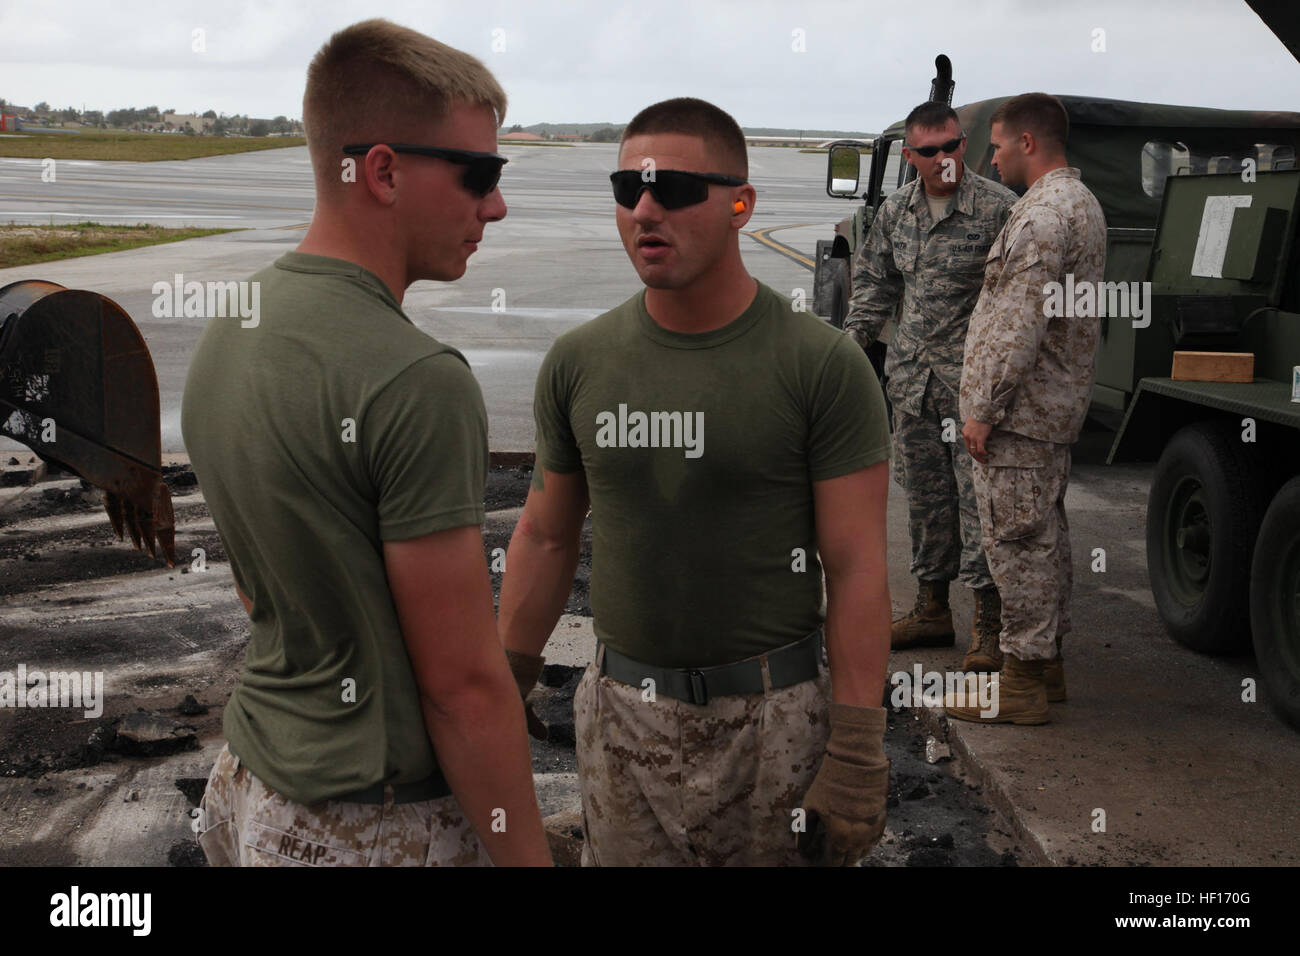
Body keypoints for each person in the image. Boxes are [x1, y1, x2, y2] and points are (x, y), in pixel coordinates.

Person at [182, 18, 551, 866]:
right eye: (478, 174)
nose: (495, 204)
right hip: (372, 823)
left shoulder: (236, 322)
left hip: (253, 778)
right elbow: (462, 689)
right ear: (382, 171)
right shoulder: (416, 377)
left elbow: (256, 589)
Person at [498, 97, 893, 867]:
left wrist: (856, 750)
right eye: (628, 188)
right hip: (621, 723)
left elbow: (856, 567)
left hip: (773, 729)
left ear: (741, 204)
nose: (646, 209)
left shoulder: (820, 366)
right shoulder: (580, 362)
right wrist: (504, 680)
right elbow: (546, 534)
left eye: (674, 189)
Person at [949, 92, 1107, 724]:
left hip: (1022, 413)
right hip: (1050, 408)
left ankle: (1019, 686)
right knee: (1045, 536)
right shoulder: (1082, 203)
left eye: (999, 144)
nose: (993, 156)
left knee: (1017, 544)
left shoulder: (1042, 217)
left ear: (1029, 143)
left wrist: (984, 408)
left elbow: (1018, 322)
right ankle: (1048, 671)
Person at [844, 102, 1018, 673]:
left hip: (974, 390)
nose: (944, 158)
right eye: (930, 151)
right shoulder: (897, 211)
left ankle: (989, 628)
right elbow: (874, 284)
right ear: (910, 156)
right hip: (913, 384)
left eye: (953, 146)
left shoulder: (999, 209)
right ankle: (932, 610)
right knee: (926, 501)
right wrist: (851, 348)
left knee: (980, 508)